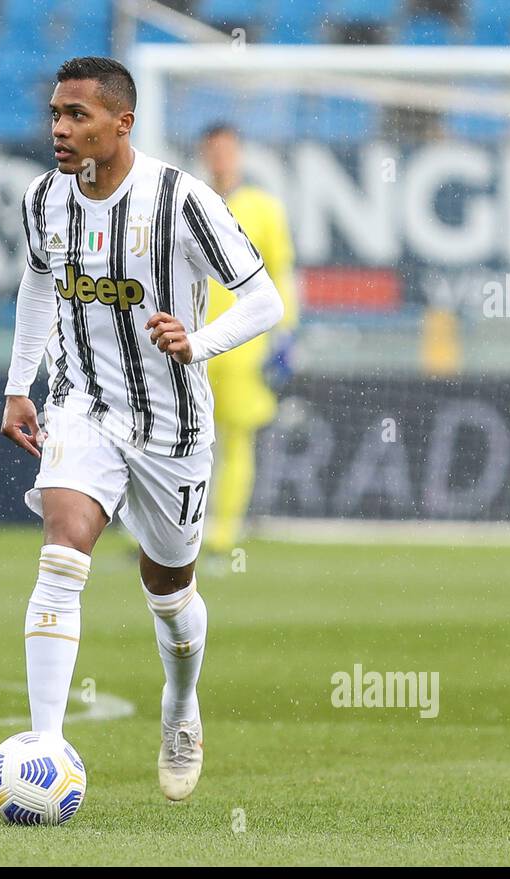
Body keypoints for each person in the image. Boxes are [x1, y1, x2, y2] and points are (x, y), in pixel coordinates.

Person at [0, 56, 284, 801]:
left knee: (169, 589)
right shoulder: (43, 200)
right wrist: (17, 385)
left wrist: (200, 342)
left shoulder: (181, 201)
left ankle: (181, 706)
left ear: (121, 123)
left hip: (172, 427)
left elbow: (263, 302)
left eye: (78, 116)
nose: (60, 129)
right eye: (55, 114)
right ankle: (46, 744)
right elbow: (36, 280)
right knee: (63, 546)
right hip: (81, 405)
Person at [197, 123, 299, 570]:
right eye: (213, 151)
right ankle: (172, 540)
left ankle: (221, 539)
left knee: (236, 440)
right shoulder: (191, 202)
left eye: (227, 151)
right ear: (205, 154)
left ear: (238, 154)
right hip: (193, 341)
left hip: (244, 345)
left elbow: (282, 273)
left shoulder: (264, 208)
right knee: (182, 442)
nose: (221, 158)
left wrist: (286, 334)